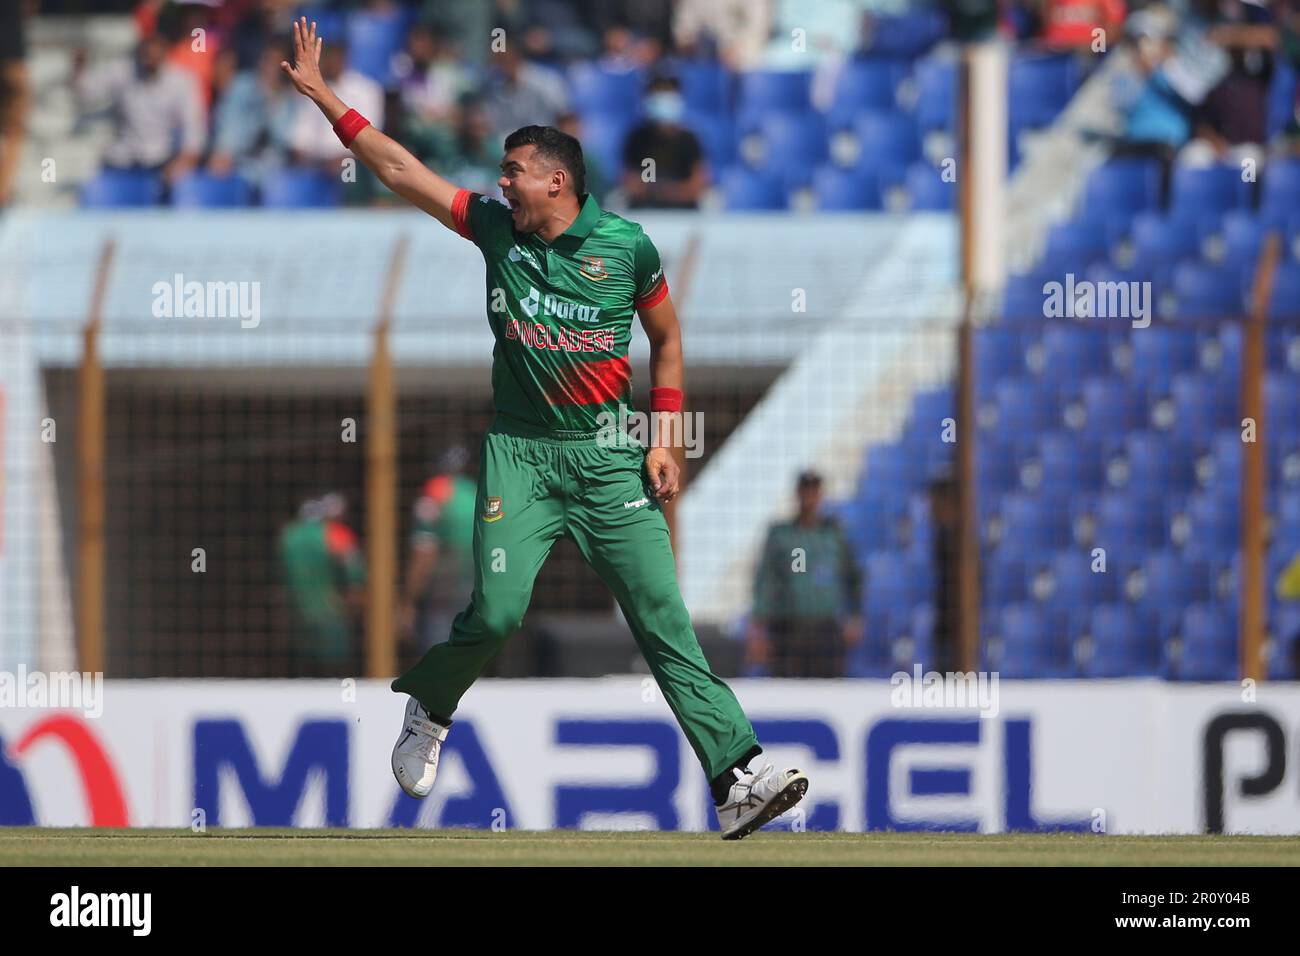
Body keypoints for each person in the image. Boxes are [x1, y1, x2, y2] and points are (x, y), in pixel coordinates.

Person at [280, 17, 807, 839]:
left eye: (514, 172)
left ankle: (738, 774)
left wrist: (666, 438)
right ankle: (431, 707)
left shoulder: (627, 248)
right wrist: (325, 99)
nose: (501, 184)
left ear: (557, 182)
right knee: (495, 614)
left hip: (606, 456)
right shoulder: (497, 232)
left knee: (662, 614)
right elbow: (399, 168)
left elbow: (667, 343)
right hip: (521, 454)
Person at [747, 470, 863, 678]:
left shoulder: (834, 535)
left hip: (825, 630)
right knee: (787, 693)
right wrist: (758, 628)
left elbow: (854, 576)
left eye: (814, 492)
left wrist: (855, 616)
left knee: (828, 692)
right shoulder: (781, 536)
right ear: (798, 494)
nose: (809, 498)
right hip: (788, 629)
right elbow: (764, 580)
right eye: (805, 492)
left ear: (820, 495)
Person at [73, 32, 206, 185]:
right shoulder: (122, 71)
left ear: (166, 52)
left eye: (156, 54)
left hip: (161, 163)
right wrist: (79, 66)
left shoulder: (182, 80)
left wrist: (184, 161)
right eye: (148, 54)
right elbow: (86, 90)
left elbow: (193, 127)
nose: (151, 59)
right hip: (121, 160)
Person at [399, 446, 477, 655]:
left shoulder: (434, 492)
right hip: (478, 587)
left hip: (442, 589)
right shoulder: (478, 492)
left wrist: (408, 601)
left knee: (437, 652)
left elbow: (424, 551)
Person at [278, 493, 366, 675]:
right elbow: (353, 568)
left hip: (297, 610)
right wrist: (355, 596)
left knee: (302, 666)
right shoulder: (334, 532)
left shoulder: (288, 535)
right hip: (330, 609)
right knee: (335, 668)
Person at [620, 74, 707, 209]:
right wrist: (675, 190)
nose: (664, 100)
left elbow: (696, 188)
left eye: (669, 93)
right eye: (658, 93)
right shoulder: (637, 137)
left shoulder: (689, 140)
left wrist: (660, 191)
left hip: (683, 216)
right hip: (645, 215)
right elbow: (631, 185)